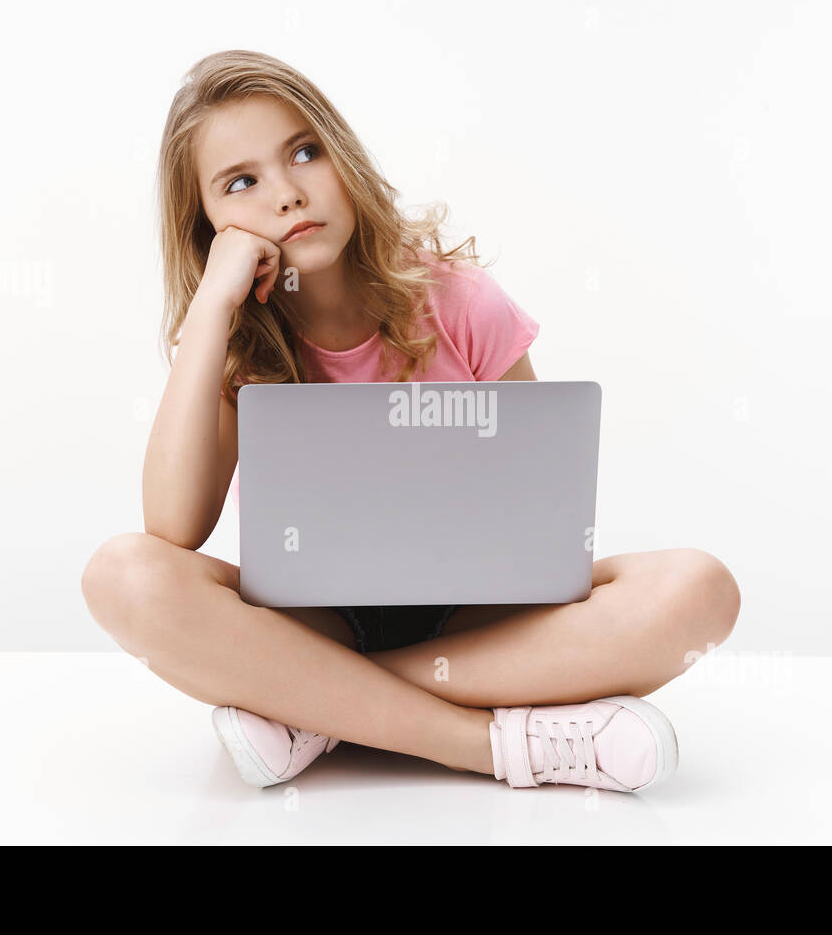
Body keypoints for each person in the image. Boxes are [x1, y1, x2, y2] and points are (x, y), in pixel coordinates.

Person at [81, 50, 741, 792]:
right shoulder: (234, 346)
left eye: (305, 152)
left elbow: (542, 515)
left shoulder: (458, 300)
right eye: (242, 183)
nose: (289, 194)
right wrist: (209, 308)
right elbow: (170, 530)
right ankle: (487, 745)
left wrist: (307, 684)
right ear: (206, 223)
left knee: (701, 589)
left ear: (344, 158)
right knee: (122, 575)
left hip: (481, 625)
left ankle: (316, 706)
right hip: (314, 623)